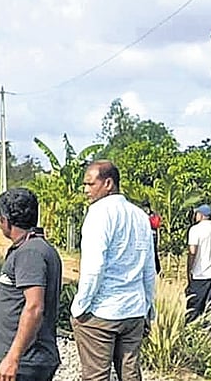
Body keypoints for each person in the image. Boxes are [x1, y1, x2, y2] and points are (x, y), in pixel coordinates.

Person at [70, 161, 155, 381]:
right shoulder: (139, 216)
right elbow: (148, 267)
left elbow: (94, 267)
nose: (85, 190)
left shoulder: (98, 213)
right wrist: (148, 307)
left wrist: (79, 307)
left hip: (102, 312)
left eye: (90, 184)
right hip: (134, 310)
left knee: (96, 376)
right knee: (130, 375)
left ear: (108, 183)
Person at [0, 187, 62, 381]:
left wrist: (13, 358)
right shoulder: (30, 247)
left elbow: (34, 307)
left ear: (5, 220)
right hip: (26, 359)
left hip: (27, 361)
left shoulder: (30, 253)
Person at [143, 201, 162, 275]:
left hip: (152, 235)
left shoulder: (153, 215)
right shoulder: (141, 214)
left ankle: (158, 270)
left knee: (154, 253)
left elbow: (156, 224)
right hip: (145, 235)